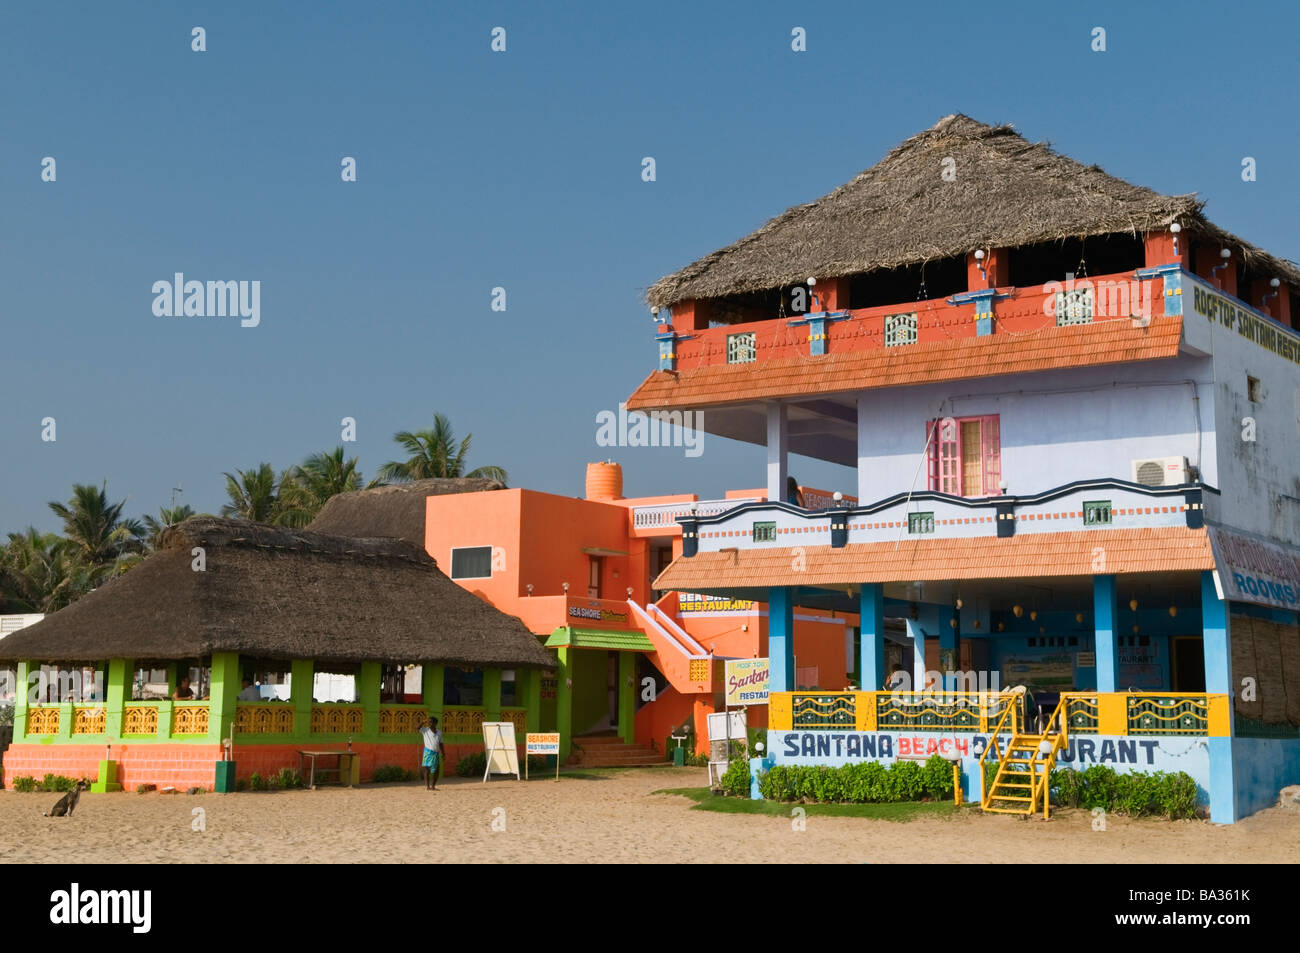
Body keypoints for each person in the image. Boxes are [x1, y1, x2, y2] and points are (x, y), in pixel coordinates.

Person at [418, 716, 445, 791]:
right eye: (428, 722)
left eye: (431, 722)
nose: (429, 723)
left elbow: (441, 743)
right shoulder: (425, 730)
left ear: (435, 723)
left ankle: (433, 786)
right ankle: (427, 787)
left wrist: (443, 753)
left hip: (435, 753)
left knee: (436, 770)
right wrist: (423, 722)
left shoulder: (439, 732)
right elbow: (417, 727)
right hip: (427, 752)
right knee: (427, 770)